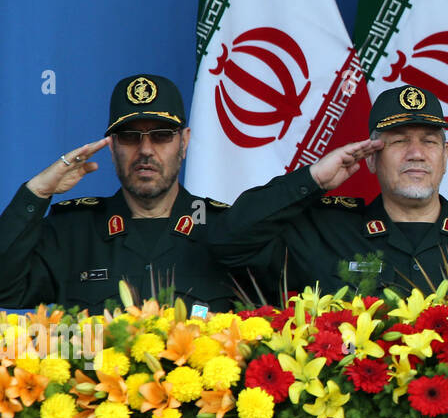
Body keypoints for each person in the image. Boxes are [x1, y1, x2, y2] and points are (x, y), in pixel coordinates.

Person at [218, 85, 448, 295]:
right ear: (372, 159)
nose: (416, 153)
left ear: (445, 157)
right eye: (399, 141)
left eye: (429, 141)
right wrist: (313, 180)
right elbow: (228, 242)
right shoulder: (325, 231)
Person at [0, 74, 261, 311]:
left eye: (160, 135)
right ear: (112, 147)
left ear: (184, 142)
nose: (145, 150)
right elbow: (5, 290)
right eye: (129, 136)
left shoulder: (224, 230)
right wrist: (36, 192)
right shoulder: (73, 231)